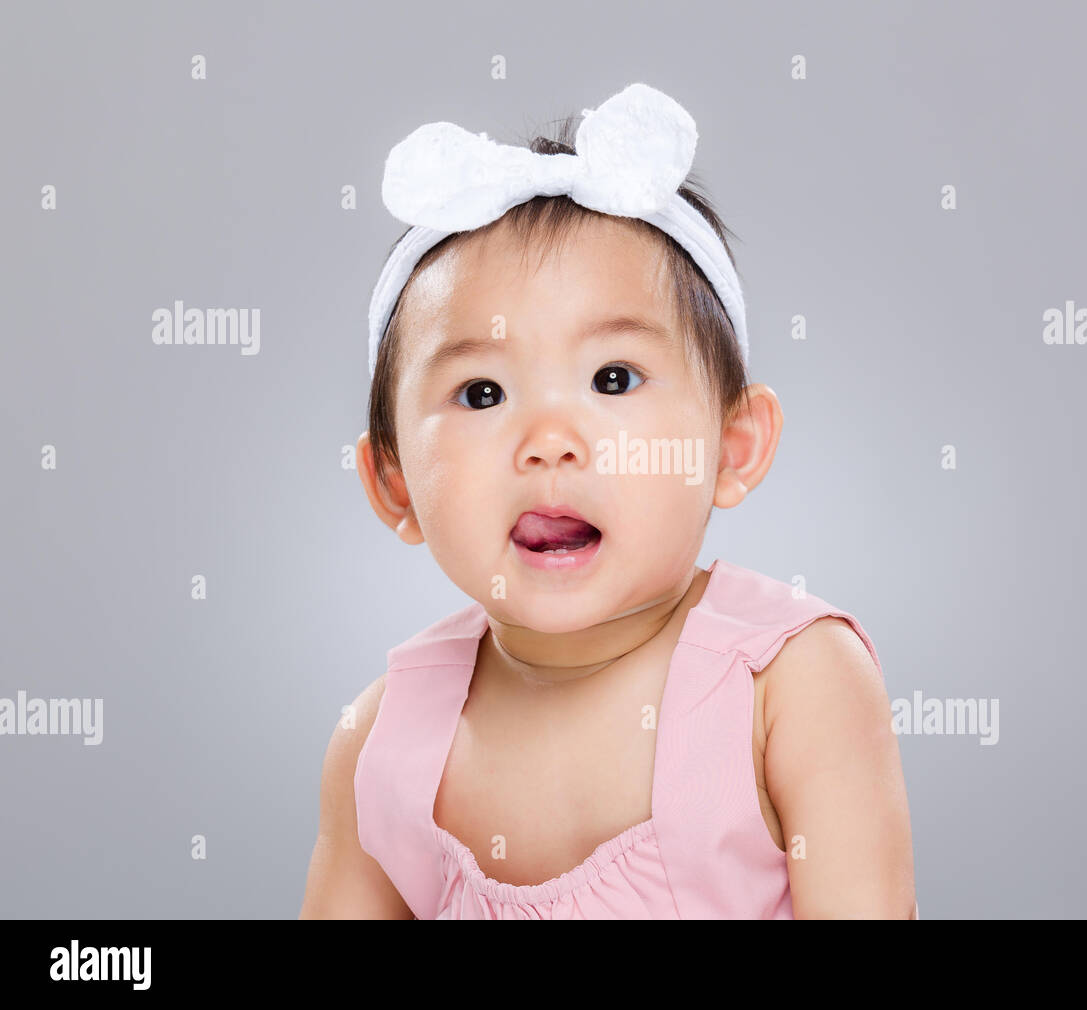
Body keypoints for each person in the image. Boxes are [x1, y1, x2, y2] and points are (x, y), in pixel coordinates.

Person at [300, 83, 917, 919]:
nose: (550, 439)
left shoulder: (789, 687)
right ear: (395, 484)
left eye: (613, 379)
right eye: (482, 393)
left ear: (732, 448)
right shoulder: (384, 739)